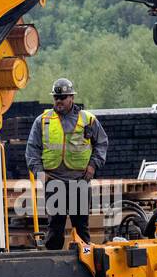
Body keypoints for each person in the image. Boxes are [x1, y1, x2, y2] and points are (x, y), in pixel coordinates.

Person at [25, 77, 108, 250]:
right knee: (55, 226)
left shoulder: (88, 120)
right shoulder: (43, 121)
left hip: (80, 180)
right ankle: (53, 263)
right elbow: (32, 149)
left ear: (72, 98)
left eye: (62, 98)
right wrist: (39, 172)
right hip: (53, 180)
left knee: (81, 227)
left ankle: (85, 263)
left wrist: (93, 165)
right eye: (56, 98)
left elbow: (101, 143)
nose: (59, 101)